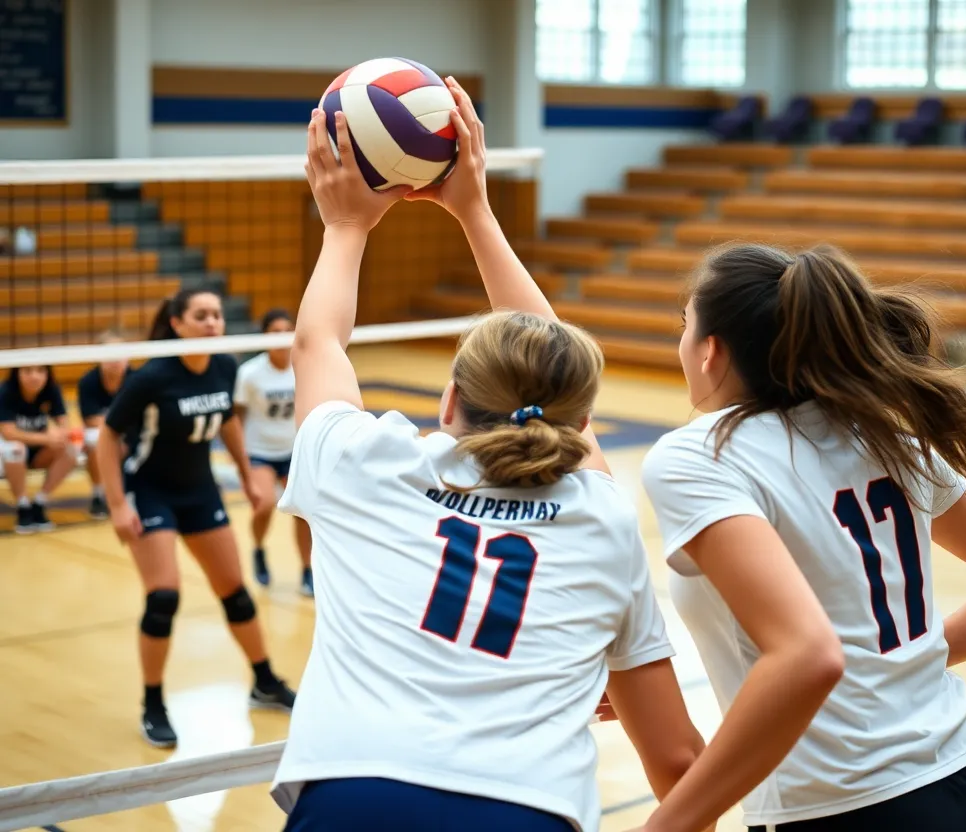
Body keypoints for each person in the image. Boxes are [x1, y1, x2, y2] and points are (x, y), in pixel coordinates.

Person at [270, 91, 709, 832]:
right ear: (580, 419)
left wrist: (345, 224)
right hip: (526, 810)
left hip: (354, 797)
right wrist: (475, 211)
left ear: (448, 401)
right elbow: (677, 764)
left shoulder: (366, 462)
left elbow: (318, 345)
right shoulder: (602, 513)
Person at [638, 241, 966, 831]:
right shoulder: (884, 437)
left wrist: (669, 824)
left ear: (712, 351)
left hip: (842, 806)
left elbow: (807, 658)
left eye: (685, 325)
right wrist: (888, 660)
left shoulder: (702, 454)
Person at [96, 289, 296, 749]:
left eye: (217, 316)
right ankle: (153, 703)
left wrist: (247, 474)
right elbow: (107, 437)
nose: (212, 323)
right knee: (164, 596)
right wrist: (118, 504)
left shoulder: (225, 367)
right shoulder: (152, 377)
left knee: (237, 595)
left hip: (199, 491)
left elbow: (227, 421)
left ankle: (264, 682)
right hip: (151, 493)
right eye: (201, 316)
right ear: (177, 324)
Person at [234, 309, 312, 596]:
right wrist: (240, 458)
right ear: (264, 336)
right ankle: (257, 549)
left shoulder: (302, 365)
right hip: (259, 451)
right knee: (264, 504)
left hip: (294, 450)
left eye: (286, 330)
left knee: (304, 512)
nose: (281, 337)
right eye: (274, 331)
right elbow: (237, 416)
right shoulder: (249, 373)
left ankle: (307, 570)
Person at [0, 365, 76, 534]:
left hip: (37, 451)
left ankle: (39, 503)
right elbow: (8, 433)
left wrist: (59, 434)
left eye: (41, 371)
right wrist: (45, 438)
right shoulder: (5, 391)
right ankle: (23, 505)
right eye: (27, 371)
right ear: (17, 373)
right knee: (15, 449)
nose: (34, 377)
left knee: (70, 450)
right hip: (6, 452)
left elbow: (64, 424)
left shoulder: (51, 390)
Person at [77, 330, 130, 519]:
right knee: (93, 439)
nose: (115, 359)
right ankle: (99, 493)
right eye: (109, 354)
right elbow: (92, 421)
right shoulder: (88, 382)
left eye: (120, 353)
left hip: (133, 433)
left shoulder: (137, 379)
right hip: (109, 433)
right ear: (98, 357)